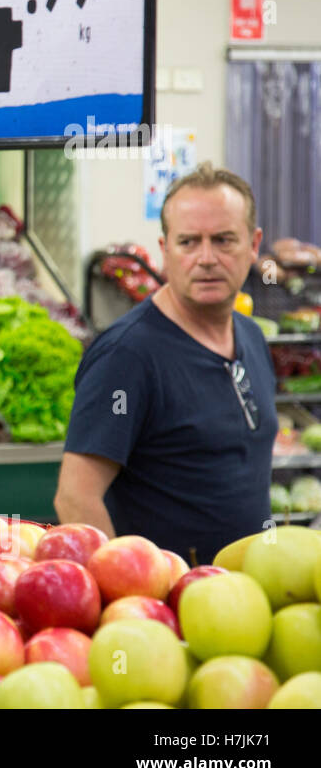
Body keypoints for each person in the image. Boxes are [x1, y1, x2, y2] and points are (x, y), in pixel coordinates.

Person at [53, 162, 276, 565]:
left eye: (224, 240)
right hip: (168, 612)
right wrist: (130, 596)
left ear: (254, 244)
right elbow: (76, 496)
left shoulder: (252, 337)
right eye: (189, 242)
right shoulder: (128, 355)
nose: (206, 258)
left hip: (251, 597)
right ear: (164, 249)